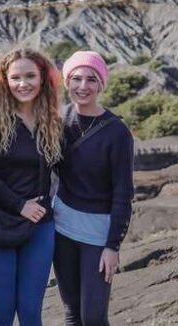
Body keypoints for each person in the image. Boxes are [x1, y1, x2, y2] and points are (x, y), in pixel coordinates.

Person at [0, 48, 63, 326]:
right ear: (4, 81)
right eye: (15, 77)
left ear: (42, 78)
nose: (23, 83)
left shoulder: (52, 121)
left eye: (30, 76)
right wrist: (19, 205)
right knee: (2, 314)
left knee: (30, 313)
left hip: (40, 226)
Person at [52, 51, 134, 326]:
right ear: (67, 82)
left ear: (101, 84)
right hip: (62, 229)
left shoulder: (117, 132)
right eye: (76, 78)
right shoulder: (58, 120)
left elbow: (123, 193)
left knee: (94, 317)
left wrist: (113, 246)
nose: (83, 86)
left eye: (91, 79)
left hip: (98, 236)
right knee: (72, 314)